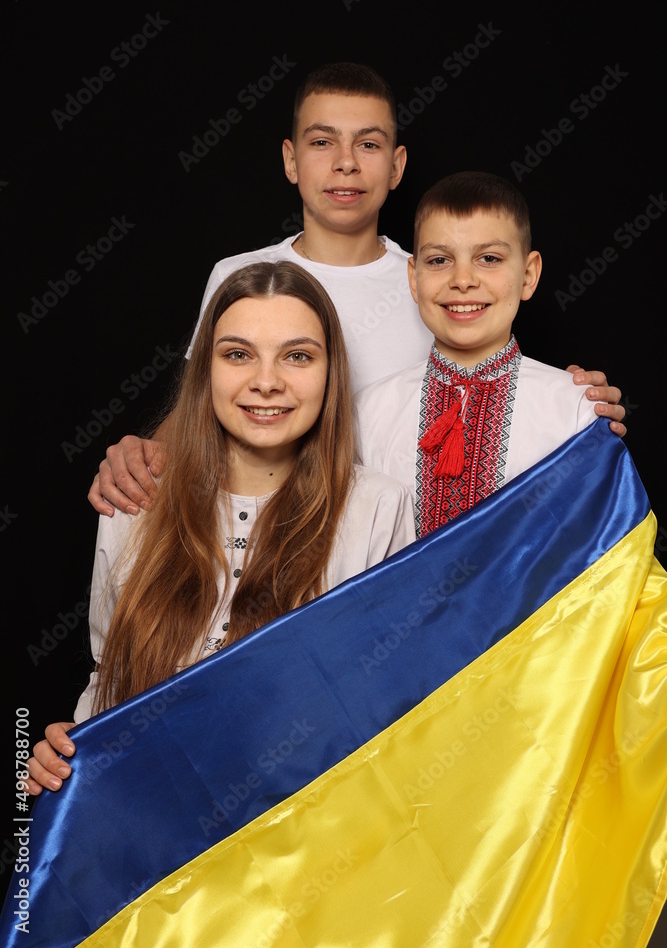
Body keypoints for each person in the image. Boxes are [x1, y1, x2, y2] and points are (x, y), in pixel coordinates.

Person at [87, 62, 626, 518]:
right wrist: (140, 454)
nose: (345, 162)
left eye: (368, 144)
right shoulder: (241, 276)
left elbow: (486, 376)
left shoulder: (435, 283)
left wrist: (566, 399)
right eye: (322, 142)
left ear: (396, 166)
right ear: (290, 159)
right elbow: (201, 408)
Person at [25, 260, 415, 795]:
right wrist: (69, 754)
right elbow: (108, 676)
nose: (266, 382)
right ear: (205, 370)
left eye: (298, 356)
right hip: (152, 815)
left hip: (304, 824)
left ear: (331, 373)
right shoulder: (135, 497)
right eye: (237, 354)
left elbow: (392, 705)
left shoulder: (378, 508)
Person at [355, 171, 602, 537]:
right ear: (414, 278)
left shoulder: (574, 409)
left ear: (528, 275)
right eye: (439, 260)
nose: (463, 280)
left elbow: (598, 552)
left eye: (488, 258)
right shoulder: (367, 413)